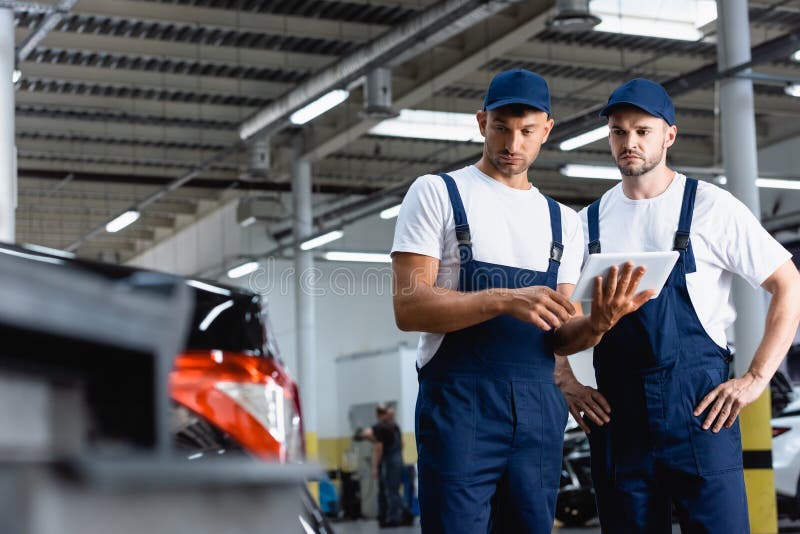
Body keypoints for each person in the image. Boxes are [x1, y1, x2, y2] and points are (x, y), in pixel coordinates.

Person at [390, 68, 652, 533]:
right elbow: (409, 308)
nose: (513, 143)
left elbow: (562, 336)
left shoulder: (563, 221)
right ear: (481, 122)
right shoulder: (438, 193)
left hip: (538, 414)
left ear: (547, 130)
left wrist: (599, 323)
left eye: (527, 131)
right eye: (501, 127)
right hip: (459, 407)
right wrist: (503, 299)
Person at [555, 78, 800, 533]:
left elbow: (788, 282)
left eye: (642, 131)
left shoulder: (710, 207)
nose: (629, 142)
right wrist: (565, 380)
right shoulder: (586, 224)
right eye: (618, 131)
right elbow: (554, 314)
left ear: (669, 135)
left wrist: (755, 378)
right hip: (620, 422)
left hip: (701, 416)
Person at [357, 404, 410, 528]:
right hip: (398, 459)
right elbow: (402, 444)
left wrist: (375, 467)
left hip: (389, 461)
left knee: (390, 492)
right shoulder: (395, 426)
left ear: (378, 414)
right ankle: (402, 514)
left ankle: (394, 518)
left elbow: (378, 447)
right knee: (394, 491)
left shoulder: (380, 427)